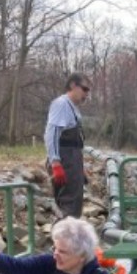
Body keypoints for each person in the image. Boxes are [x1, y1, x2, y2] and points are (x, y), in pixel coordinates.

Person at [44, 73, 92, 219]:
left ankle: (66, 232)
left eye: (88, 91)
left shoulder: (72, 107)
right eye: (84, 89)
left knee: (73, 205)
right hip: (65, 159)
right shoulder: (61, 104)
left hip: (72, 159)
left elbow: (75, 142)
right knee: (68, 207)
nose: (86, 94)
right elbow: (52, 134)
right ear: (73, 85)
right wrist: (55, 163)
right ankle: (63, 233)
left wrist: (80, 167)